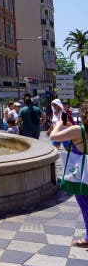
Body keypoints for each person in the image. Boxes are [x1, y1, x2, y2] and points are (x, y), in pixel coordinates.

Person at [49, 101, 88, 247]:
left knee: (85, 204)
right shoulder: (77, 130)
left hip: (82, 175)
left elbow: (54, 137)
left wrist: (59, 123)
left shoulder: (79, 130)